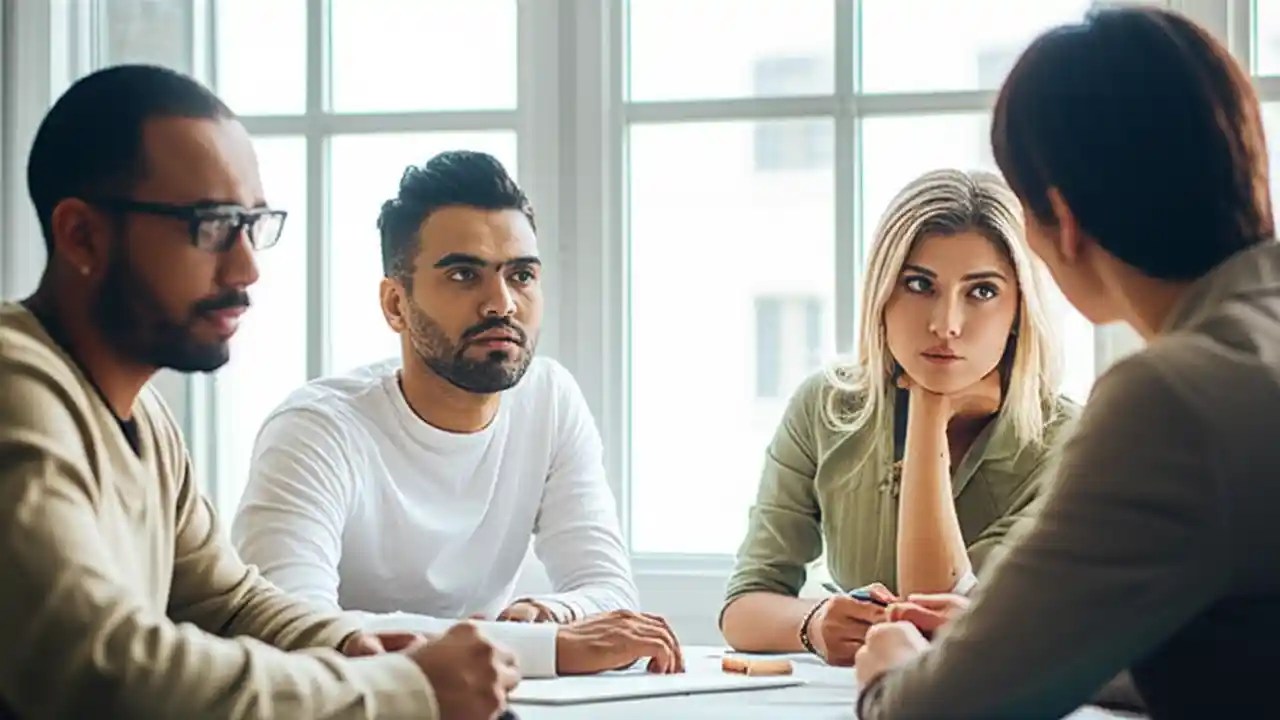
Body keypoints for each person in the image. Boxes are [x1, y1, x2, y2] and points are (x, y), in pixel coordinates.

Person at [0, 65, 520, 720]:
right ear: (82, 236)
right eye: (213, 225)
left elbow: (227, 602)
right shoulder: (15, 391)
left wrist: (352, 646)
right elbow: (100, 667)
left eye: (252, 223)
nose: (247, 266)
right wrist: (404, 693)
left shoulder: (143, 416)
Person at [855, 7, 1280, 718]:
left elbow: (938, 714)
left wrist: (890, 676)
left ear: (1064, 218)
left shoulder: (1174, 398)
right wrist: (1022, 643)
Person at [232, 150, 684, 679]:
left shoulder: (550, 399)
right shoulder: (316, 430)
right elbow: (292, 627)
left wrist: (548, 615)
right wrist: (545, 648)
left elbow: (607, 588)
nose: (502, 304)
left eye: (521, 275)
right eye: (465, 275)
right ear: (396, 305)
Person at [719, 168, 1079, 666]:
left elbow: (931, 617)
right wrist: (816, 622)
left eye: (981, 292)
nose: (945, 325)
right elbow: (744, 606)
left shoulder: (1068, 441)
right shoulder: (826, 406)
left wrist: (930, 409)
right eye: (918, 284)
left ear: (1019, 310)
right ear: (882, 295)